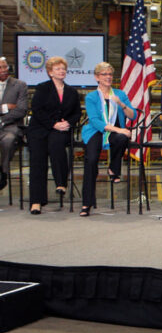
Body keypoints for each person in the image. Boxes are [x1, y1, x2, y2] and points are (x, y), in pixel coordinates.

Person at [79, 62, 136, 217]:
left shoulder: (120, 94)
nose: (108, 77)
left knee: (123, 138)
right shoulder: (91, 97)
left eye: (110, 74)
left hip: (115, 133)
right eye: (104, 74)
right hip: (97, 131)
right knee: (91, 161)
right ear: (97, 77)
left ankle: (114, 169)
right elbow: (95, 121)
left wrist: (121, 104)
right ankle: (86, 203)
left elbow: (133, 115)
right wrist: (118, 129)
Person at [28, 56, 81, 214]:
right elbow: (37, 110)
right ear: (50, 72)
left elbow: (77, 113)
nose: (61, 71)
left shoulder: (72, 92)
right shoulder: (42, 88)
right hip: (40, 129)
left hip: (61, 130)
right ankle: (36, 201)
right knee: (38, 162)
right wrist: (53, 124)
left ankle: (61, 183)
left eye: (63, 69)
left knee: (57, 146)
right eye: (57, 69)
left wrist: (68, 123)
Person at [0, 57, 28, 190]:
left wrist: (2, 120)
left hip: (11, 126)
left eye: (5, 67)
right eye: (0, 68)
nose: (4, 70)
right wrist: (5, 107)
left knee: (9, 140)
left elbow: (21, 110)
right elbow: (11, 107)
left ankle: (3, 171)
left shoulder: (19, 85)